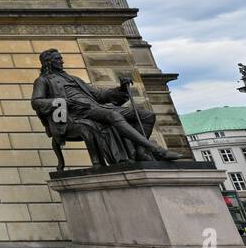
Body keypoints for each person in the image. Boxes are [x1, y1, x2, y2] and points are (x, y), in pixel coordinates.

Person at [30, 48, 181, 164]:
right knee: (113, 116)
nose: (62, 61)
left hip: (95, 107)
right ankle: (156, 149)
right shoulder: (43, 80)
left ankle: (141, 150)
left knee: (146, 115)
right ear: (49, 62)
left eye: (61, 58)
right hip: (77, 113)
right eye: (58, 59)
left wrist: (120, 88)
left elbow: (98, 96)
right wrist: (62, 102)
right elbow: (36, 102)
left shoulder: (74, 79)